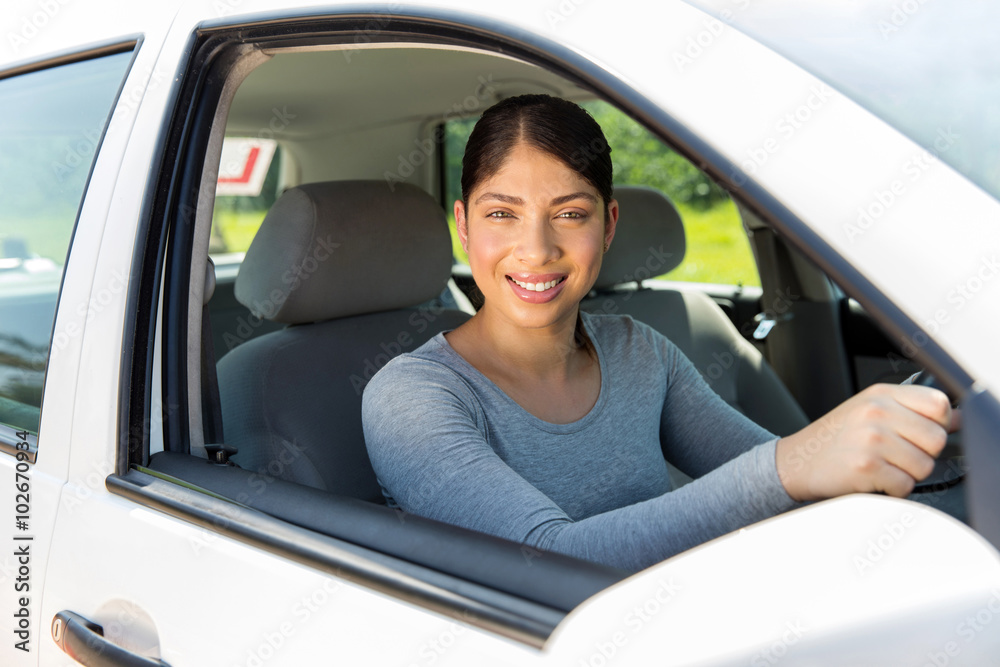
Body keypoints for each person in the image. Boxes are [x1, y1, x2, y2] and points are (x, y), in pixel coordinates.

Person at [361, 94, 957, 573]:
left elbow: (777, 479)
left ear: (609, 224)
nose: (537, 249)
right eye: (501, 214)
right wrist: (791, 463)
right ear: (463, 225)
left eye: (570, 214)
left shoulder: (638, 350)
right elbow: (546, 559)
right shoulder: (412, 397)